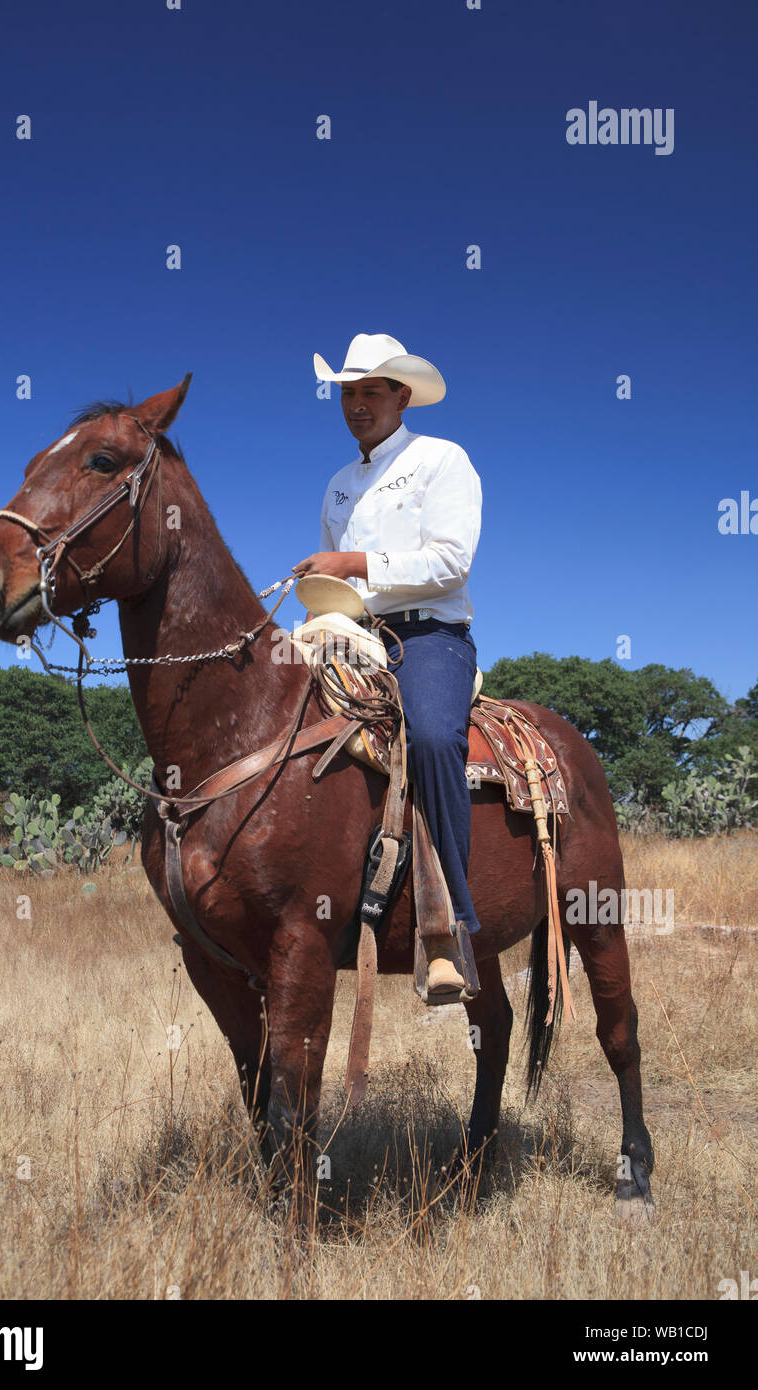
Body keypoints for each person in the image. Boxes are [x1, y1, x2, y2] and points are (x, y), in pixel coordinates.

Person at [293, 333, 483, 1000]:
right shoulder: (338, 487)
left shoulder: (442, 461)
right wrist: (321, 585)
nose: (356, 404)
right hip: (348, 633)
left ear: (402, 395)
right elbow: (331, 580)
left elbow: (451, 563)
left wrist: (354, 564)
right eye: (348, 391)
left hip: (429, 637)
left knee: (430, 735)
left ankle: (449, 929)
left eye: (370, 390)